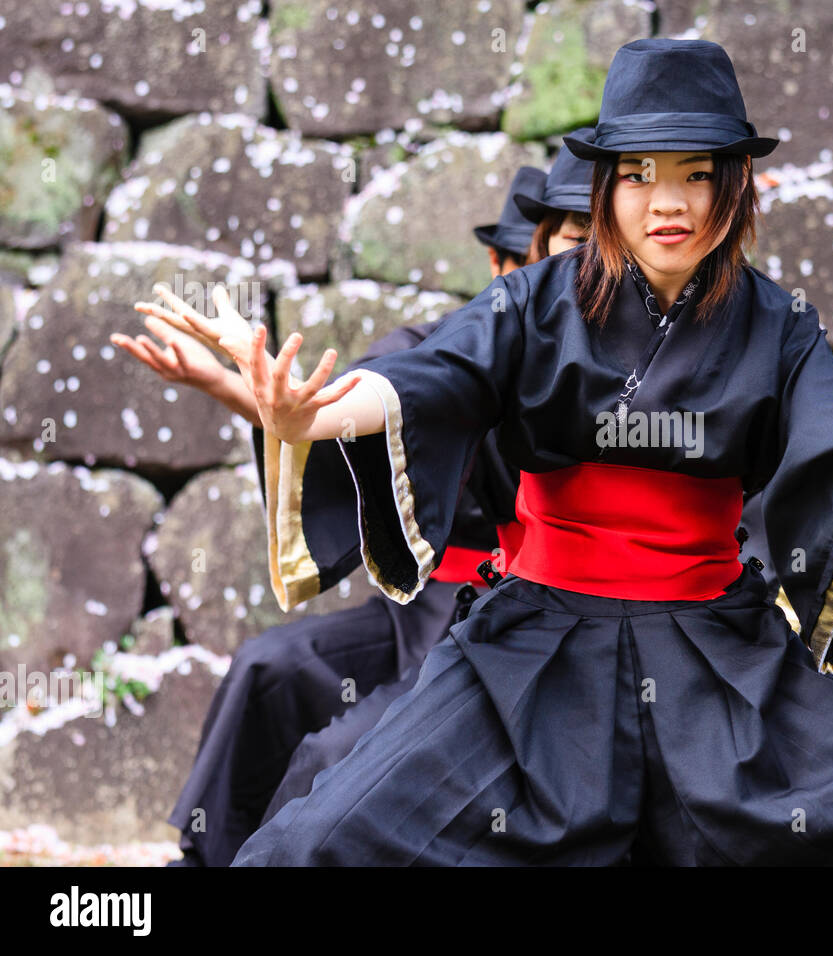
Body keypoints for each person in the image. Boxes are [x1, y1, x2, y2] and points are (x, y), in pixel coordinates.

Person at [219, 40, 833, 866]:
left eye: (695, 174)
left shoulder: (776, 325)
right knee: (320, 841)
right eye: (638, 175)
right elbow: (426, 379)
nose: (666, 202)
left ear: (733, 186)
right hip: (536, 646)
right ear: (605, 187)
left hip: (717, 654)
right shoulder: (534, 300)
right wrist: (315, 416)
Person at [111, 163, 550, 867]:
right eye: (543, 253)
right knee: (268, 667)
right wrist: (225, 382)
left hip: (517, 617)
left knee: (338, 756)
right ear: (500, 262)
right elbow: (331, 418)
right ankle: (203, 860)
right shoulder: (445, 351)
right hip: (424, 602)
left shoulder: (597, 363)